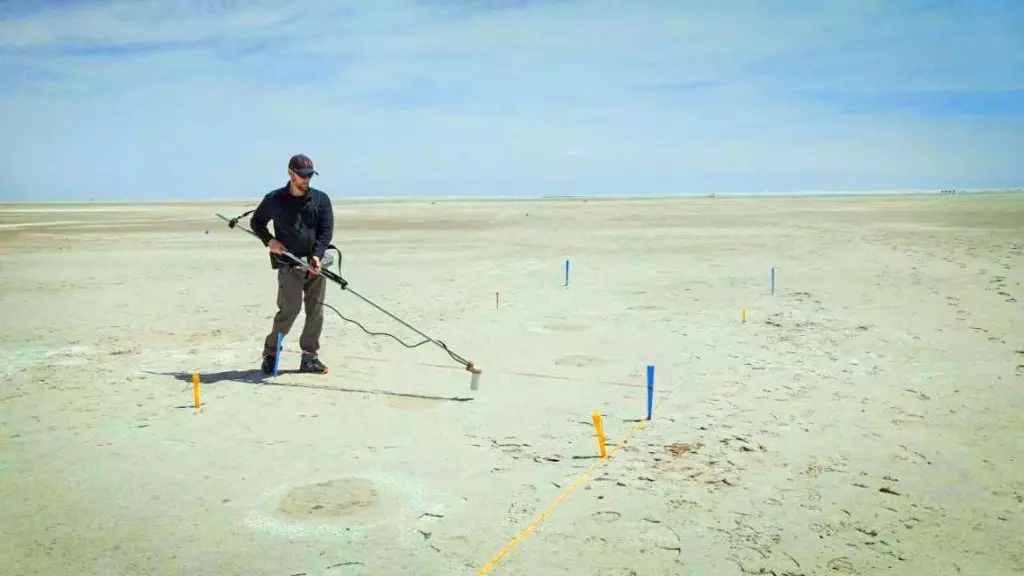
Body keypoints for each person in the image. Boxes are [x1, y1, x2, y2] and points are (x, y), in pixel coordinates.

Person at [249, 154, 334, 375]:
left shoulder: (321, 200)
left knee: (315, 311)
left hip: (315, 265)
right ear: (290, 173)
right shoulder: (275, 199)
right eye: (302, 176)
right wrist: (270, 241)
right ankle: (271, 353)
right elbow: (256, 222)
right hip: (289, 264)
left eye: (309, 176)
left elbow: (326, 232)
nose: (306, 180)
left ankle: (309, 357)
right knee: (289, 309)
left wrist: (317, 255)